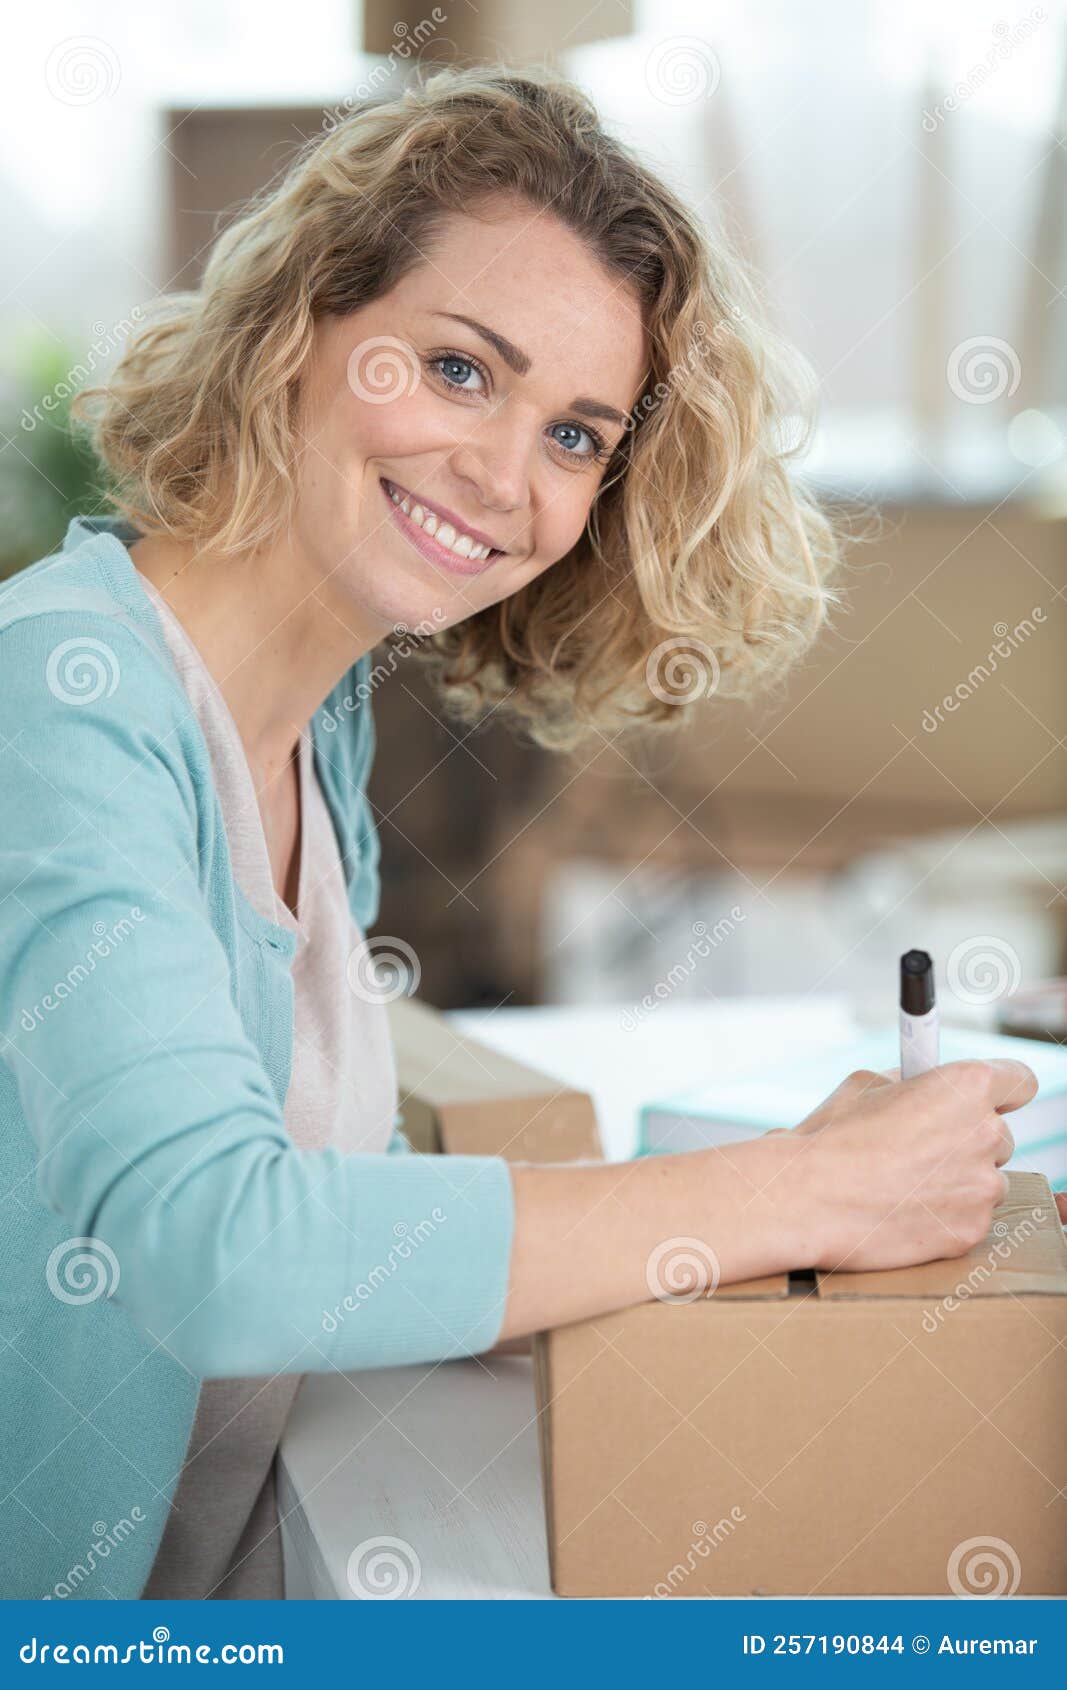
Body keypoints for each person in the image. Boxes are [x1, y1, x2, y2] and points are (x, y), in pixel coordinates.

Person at [0, 63, 1037, 1603]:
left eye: (574, 433)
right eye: (459, 369)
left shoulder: (310, 718)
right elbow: (214, 1246)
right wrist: (798, 1194)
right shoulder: (60, 695)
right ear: (299, 328)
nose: (502, 475)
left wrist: (783, 1188)